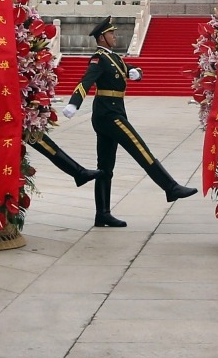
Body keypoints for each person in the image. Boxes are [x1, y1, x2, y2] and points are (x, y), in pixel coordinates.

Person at [63, 18, 196, 227]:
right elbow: (85, 81)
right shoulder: (98, 59)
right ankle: (170, 187)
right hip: (108, 115)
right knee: (140, 148)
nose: (114, 36)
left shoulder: (113, 58)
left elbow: (129, 67)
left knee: (105, 166)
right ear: (101, 38)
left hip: (112, 112)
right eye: (111, 34)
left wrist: (137, 73)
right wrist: (74, 103)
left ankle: (102, 213)